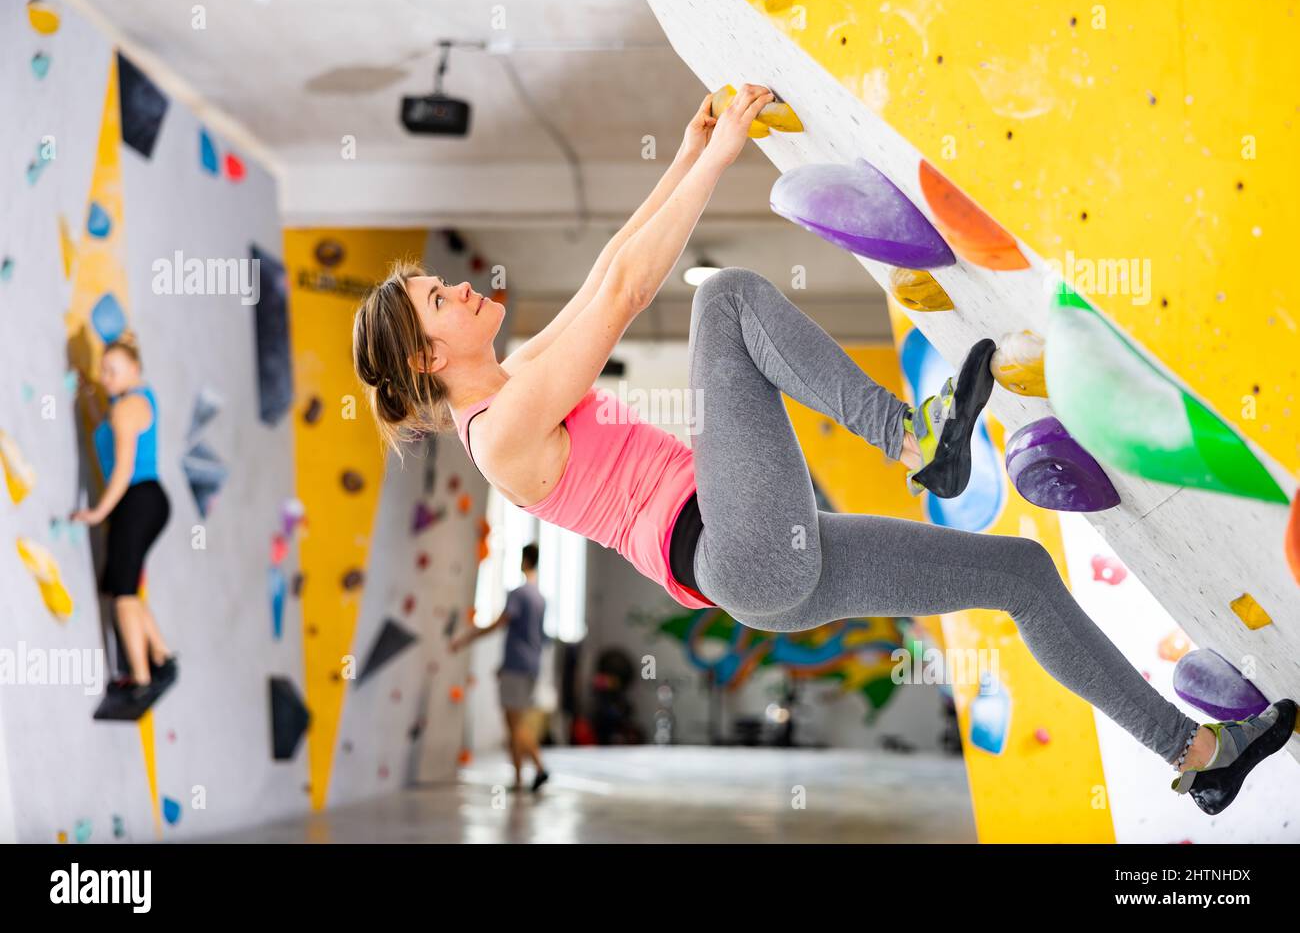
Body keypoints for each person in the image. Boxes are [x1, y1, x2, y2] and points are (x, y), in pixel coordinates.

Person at [351, 85, 1295, 816]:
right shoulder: (501, 435)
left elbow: (608, 269)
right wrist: (722, 154)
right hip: (735, 548)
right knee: (724, 300)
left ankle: (1198, 758)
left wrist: (683, 159)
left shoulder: (515, 382)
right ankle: (915, 438)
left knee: (1021, 573)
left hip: (771, 559)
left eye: (446, 284)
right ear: (433, 356)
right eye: (442, 299)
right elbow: (629, 296)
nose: (463, 290)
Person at [73, 333, 176, 698]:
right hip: (144, 501)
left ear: (135, 369)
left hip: (137, 499)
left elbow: (122, 469)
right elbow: (104, 427)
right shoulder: (124, 405)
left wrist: (100, 511)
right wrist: (87, 395)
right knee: (125, 586)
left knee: (124, 595)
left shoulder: (127, 408)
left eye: (112, 370)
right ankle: (161, 657)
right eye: (103, 370)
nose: (105, 377)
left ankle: (142, 680)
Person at [450, 544, 550, 793]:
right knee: (516, 721)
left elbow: (500, 624)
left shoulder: (518, 594)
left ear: (525, 560)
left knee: (514, 724)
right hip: (529, 664)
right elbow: (537, 637)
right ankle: (520, 778)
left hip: (517, 665)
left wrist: (467, 638)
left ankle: (537, 768)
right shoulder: (539, 597)